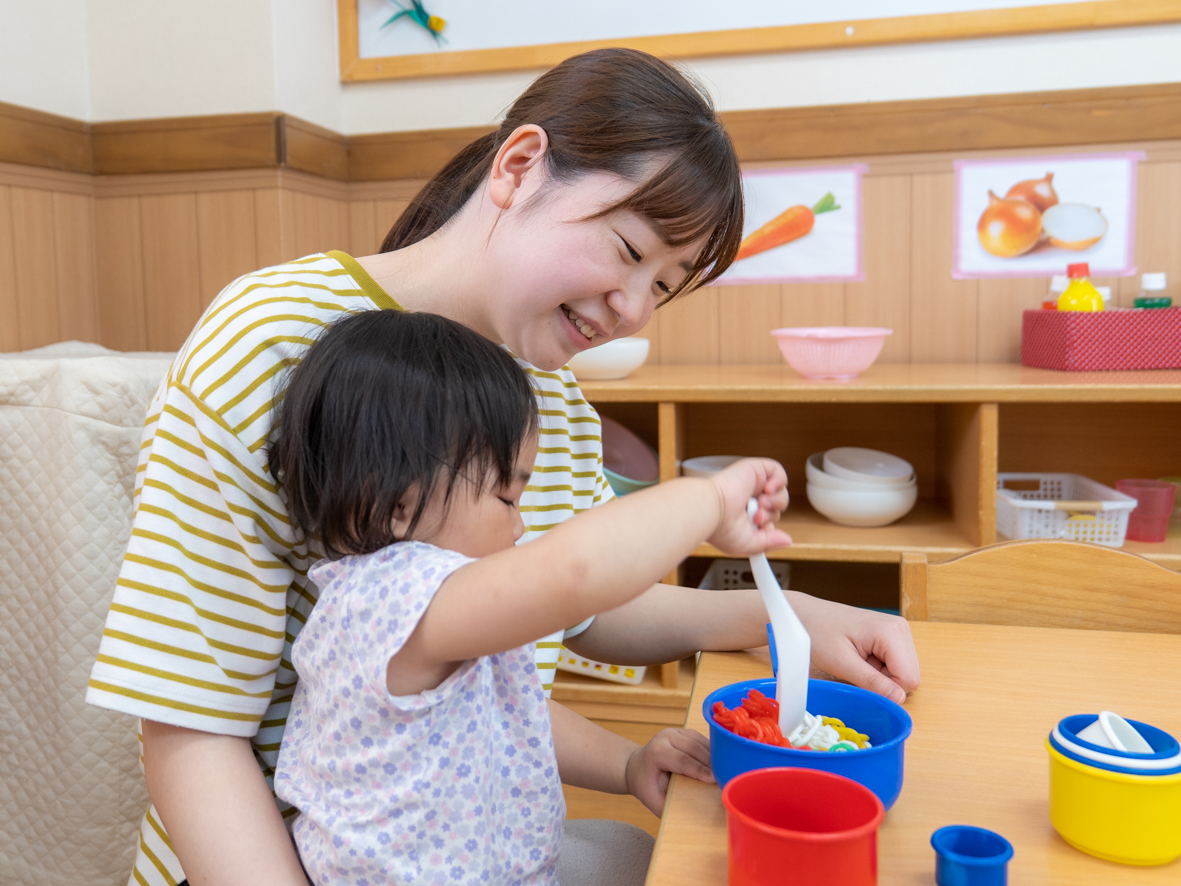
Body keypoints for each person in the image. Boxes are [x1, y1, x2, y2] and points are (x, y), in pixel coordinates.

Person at [86, 48, 919, 886]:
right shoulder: (267, 343)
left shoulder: (547, 392)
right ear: (519, 167)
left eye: (663, 286)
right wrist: (704, 504)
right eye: (629, 250)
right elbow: (191, 727)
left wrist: (786, 621)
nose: (632, 310)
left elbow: (578, 607)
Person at [268, 308, 791, 885]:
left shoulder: (434, 615)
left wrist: (629, 763)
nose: (519, 527)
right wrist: (710, 503)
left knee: (642, 852)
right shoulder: (390, 599)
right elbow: (575, 570)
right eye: (506, 497)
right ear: (393, 505)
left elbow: (510, 715)